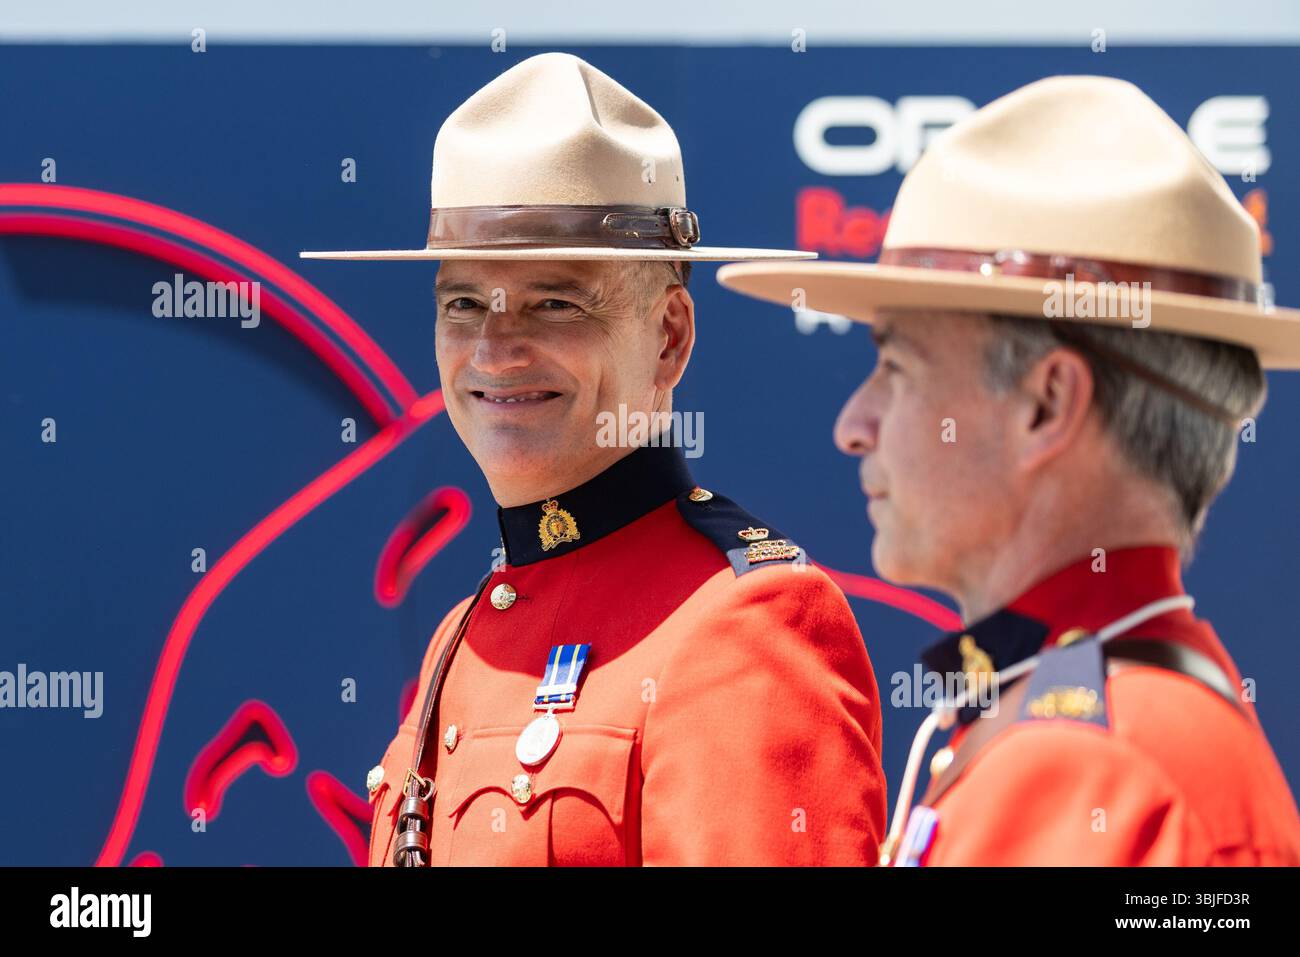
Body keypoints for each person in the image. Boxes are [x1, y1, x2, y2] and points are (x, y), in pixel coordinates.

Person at [302, 52, 886, 866]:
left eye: (555, 302)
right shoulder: (461, 634)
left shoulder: (744, 628)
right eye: (464, 303)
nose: (496, 352)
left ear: (669, 337)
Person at [718, 75, 1300, 865]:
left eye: (898, 367)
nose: (853, 425)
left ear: (1046, 405)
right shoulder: (1107, 720)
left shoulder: (1094, 764)